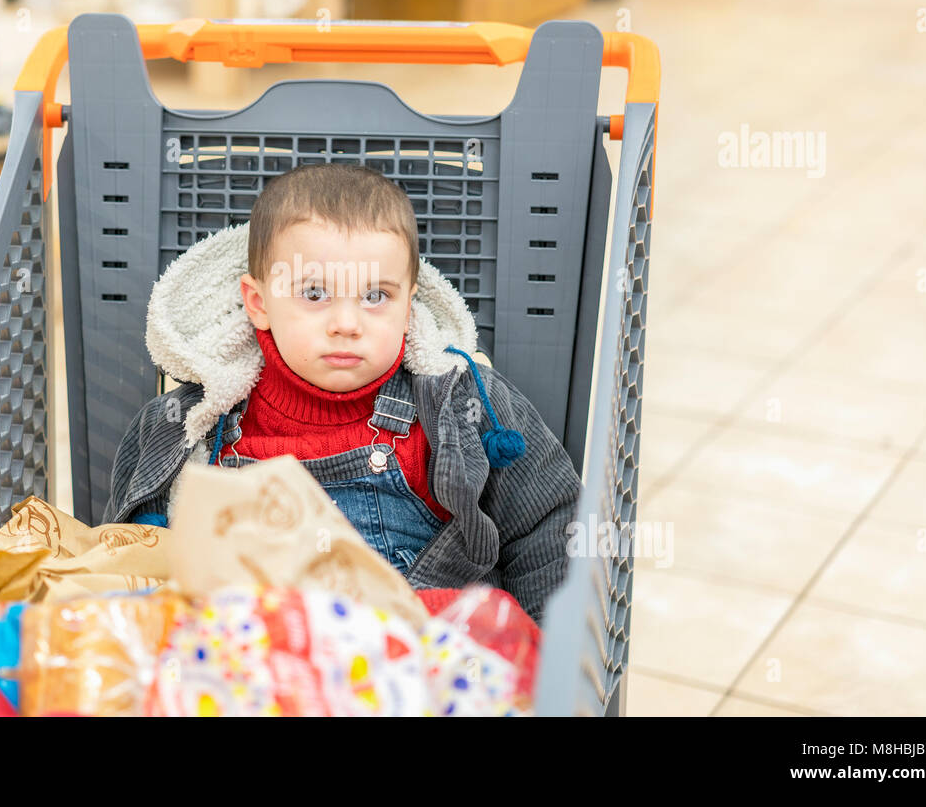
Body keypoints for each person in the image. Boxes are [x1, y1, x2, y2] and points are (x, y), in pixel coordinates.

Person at [105, 163, 583, 626]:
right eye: (315, 294)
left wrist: (550, 661)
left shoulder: (458, 406)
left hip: (411, 661)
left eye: (376, 296)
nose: (347, 325)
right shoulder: (190, 423)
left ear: (408, 302)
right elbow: (136, 551)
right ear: (259, 302)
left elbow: (549, 524)